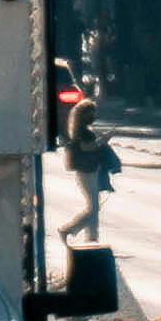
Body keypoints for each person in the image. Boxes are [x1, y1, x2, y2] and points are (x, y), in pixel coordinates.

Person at [61, 94, 120, 244]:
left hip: (89, 171)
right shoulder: (82, 132)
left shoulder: (82, 130)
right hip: (86, 172)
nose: (93, 115)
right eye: (90, 112)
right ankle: (69, 229)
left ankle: (91, 237)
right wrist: (104, 139)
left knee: (94, 207)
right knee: (93, 208)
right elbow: (87, 147)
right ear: (83, 114)